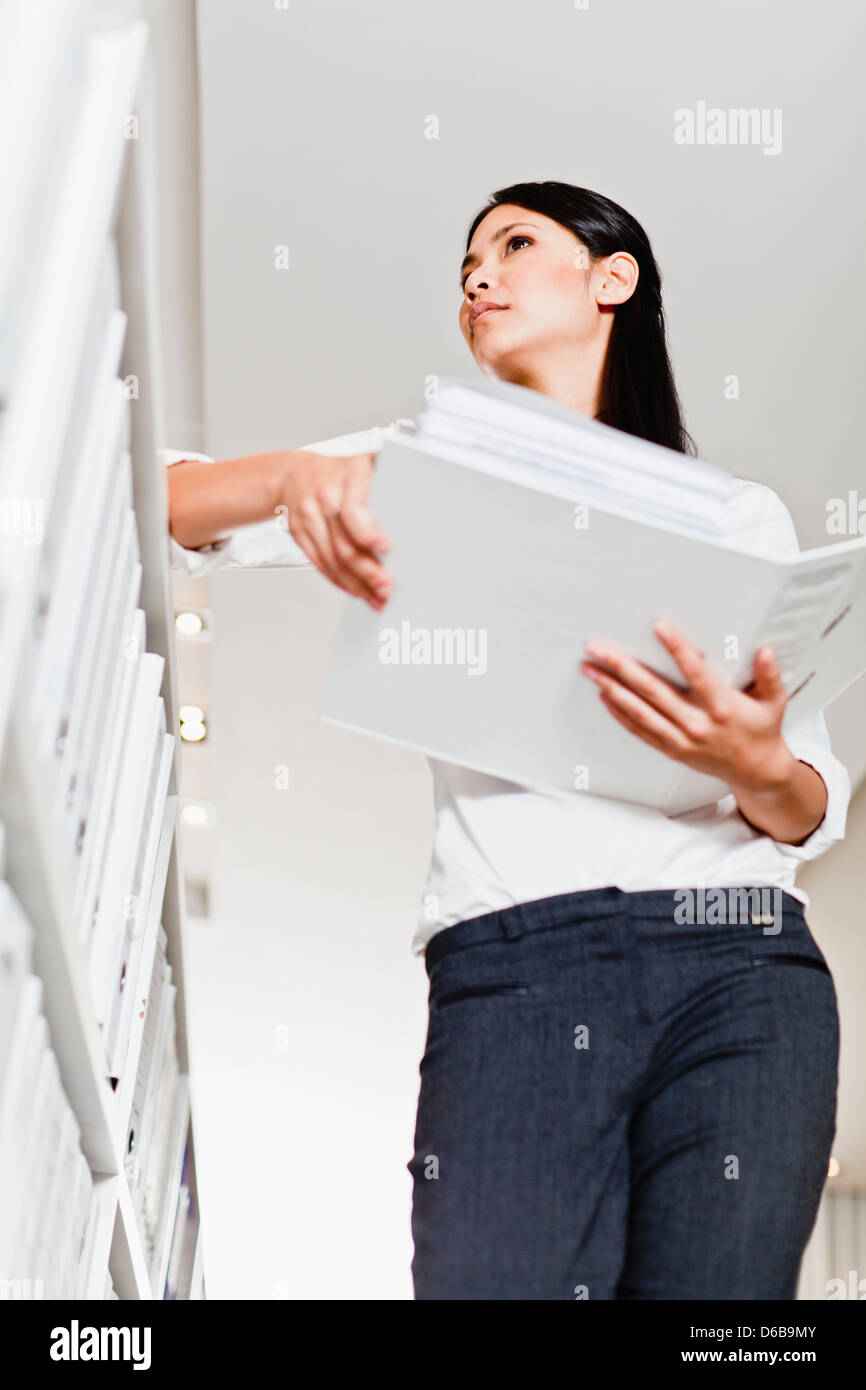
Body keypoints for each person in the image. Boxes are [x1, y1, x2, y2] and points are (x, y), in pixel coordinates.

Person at [164, 181, 850, 1300]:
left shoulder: (735, 516)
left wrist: (755, 765)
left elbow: (805, 804)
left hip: (742, 966)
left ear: (609, 277)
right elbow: (165, 501)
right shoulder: (419, 466)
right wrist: (292, 477)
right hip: (519, 963)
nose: (476, 278)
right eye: (465, 265)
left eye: (513, 245)